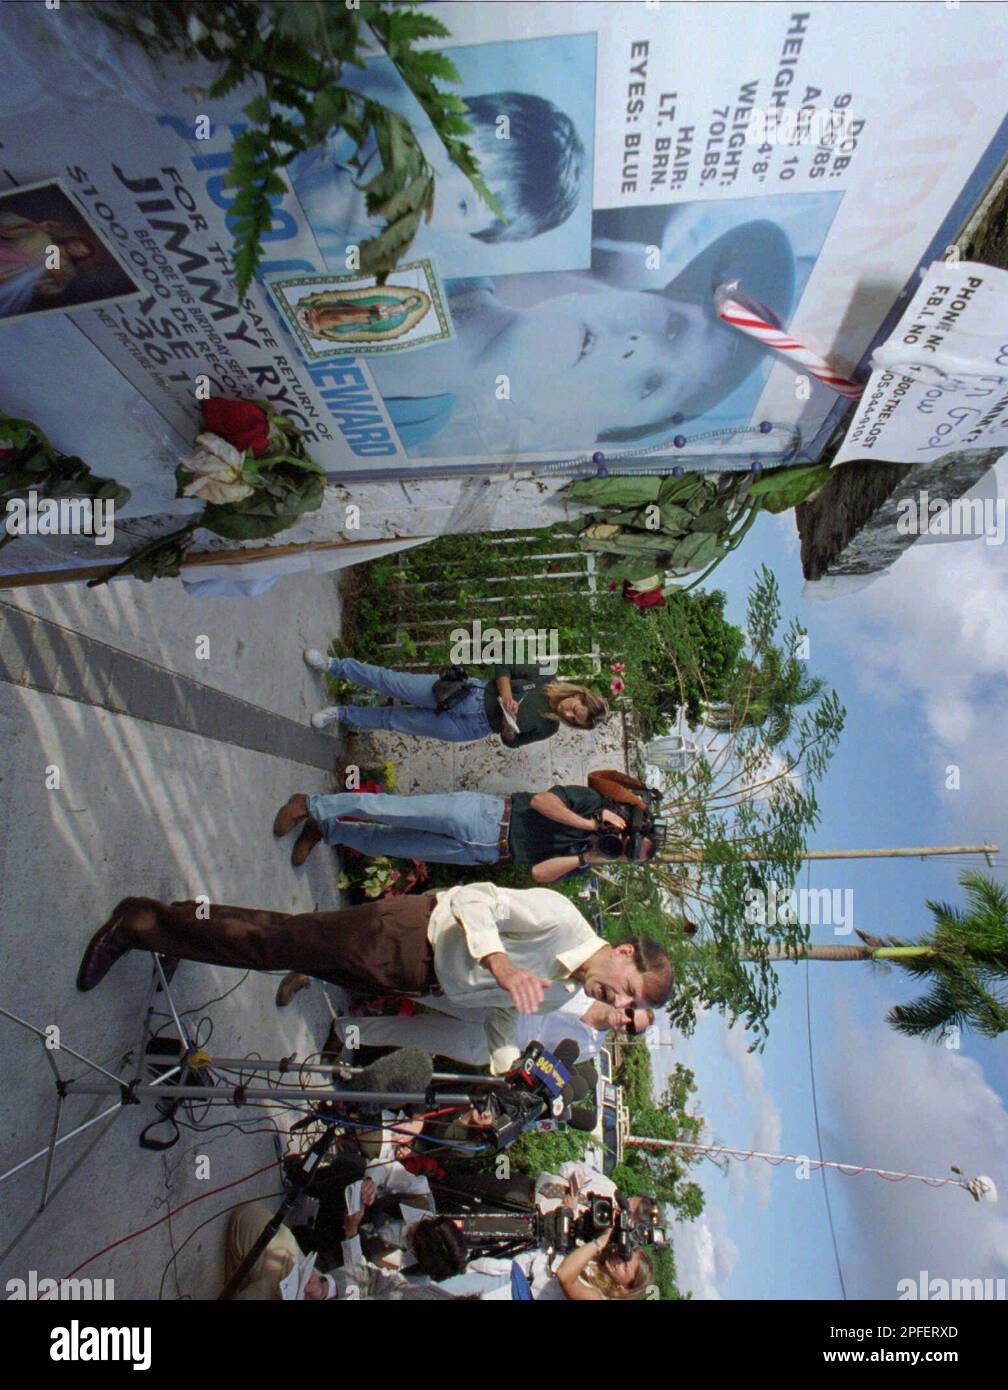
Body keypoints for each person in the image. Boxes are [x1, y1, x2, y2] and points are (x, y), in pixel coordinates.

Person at [76, 882, 672, 1073]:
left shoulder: (568, 988)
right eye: (627, 988)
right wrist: (502, 961)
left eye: (627, 1004)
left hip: (410, 973)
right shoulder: (561, 919)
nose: (616, 1000)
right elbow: (473, 900)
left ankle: (178, 928)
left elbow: (497, 1013)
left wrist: (506, 1065)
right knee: (275, 943)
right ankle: (140, 921)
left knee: (283, 945)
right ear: (622, 952)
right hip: (404, 934)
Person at [272, 780, 652, 877]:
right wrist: (590, 823)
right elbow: (541, 802)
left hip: (483, 852)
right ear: (626, 824)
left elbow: (538, 872)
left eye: (626, 856)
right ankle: (309, 805)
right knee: (389, 809)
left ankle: (327, 831)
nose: (619, 849)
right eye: (625, 843)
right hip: (486, 816)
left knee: (390, 843)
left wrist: (586, 854)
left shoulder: (588, 860)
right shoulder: (590, 803)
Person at [304, 651, 608, 744]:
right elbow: (503, 666)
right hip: (468, 695)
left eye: (574, 721)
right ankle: (334, 666)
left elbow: (511, 742)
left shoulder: (549, 727)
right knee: (393, 683)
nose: (569, 715)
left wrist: (508, 725)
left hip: (471, 728)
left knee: (397, 719)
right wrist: (506, 696)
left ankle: (341, 714)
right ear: (579, 695)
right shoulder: (546, 676)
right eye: (575, 710)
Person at [323, 988, 653, 1065]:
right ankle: (354, 978)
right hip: (499, 1002)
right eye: (630, 1014)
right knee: (423, 988)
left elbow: (543, 1064)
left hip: (499, 1044)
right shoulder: (590, 988)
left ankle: (345, 1033)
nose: (624, 1022)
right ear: (628, 1002)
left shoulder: (590, 1048)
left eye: (631, 1028)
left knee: (415, 1035)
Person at [221, 1199, 465, 1300]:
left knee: (263, 1288)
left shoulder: (418, 1275)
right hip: (318, 1280)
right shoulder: (426, 1294)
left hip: (328, 1263)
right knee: (251, 1221)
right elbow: (372, 1278)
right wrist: (327, 1287)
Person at [554, 1223, 654, 1301]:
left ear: (625, 1288)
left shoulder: (598, 1297)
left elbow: (564, 1275)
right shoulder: (598, 1259)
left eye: (625, 1268)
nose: (619, 1262)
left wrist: (600, 1242)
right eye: (624, 1256)